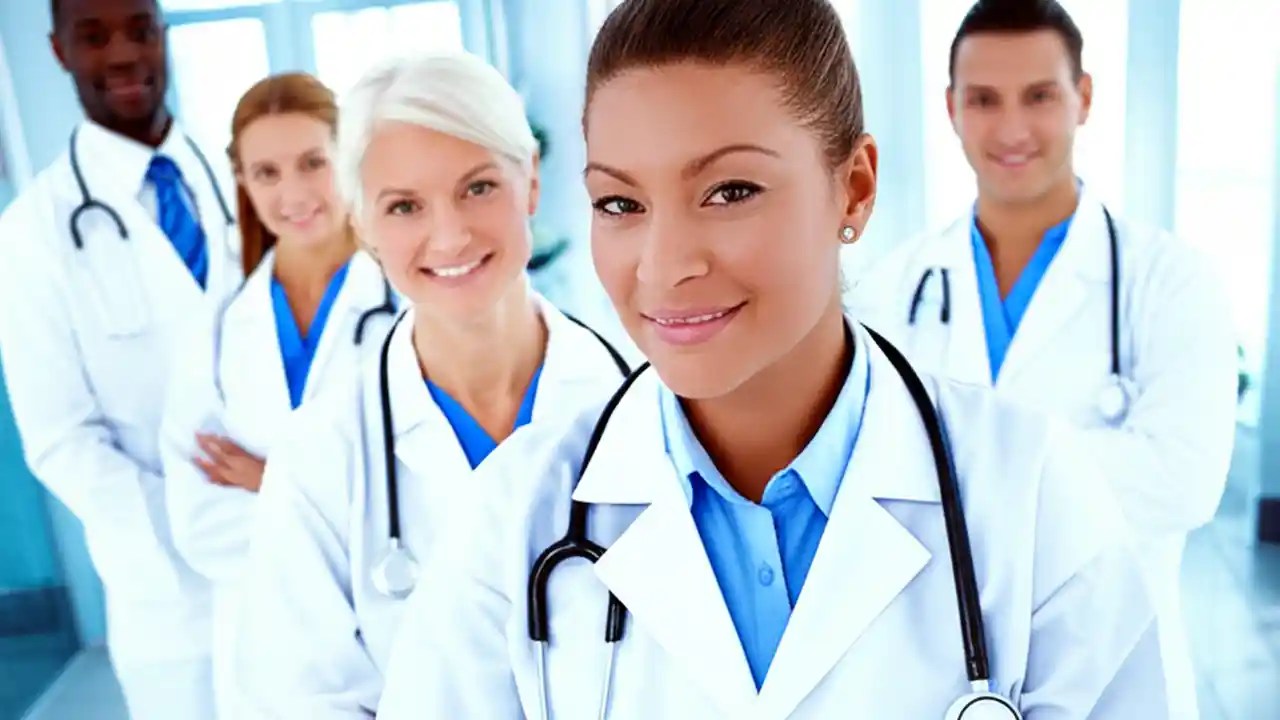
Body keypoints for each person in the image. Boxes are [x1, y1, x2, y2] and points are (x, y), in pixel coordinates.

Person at [375, 0, 1171, 717]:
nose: (663, 264)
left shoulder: (1028, 494)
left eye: (729, 191)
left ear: (854, 189)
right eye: (621, 203)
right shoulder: (513, 521)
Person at [845, 2, 1237, 715]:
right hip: (934, 681)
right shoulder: (891, 291)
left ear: (1083, 99)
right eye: (985, 100)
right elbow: (859, 476)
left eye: (1040, 96)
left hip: (1118, 673)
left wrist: (950, 478)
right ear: (951, 108)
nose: (1012, 129)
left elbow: (1183, 481)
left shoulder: (1171, 281)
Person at [231, 52, 631, 717]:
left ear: (529, 180)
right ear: (361, 223)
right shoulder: (322, 454)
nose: (449, 235)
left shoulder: (642, 407)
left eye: (478, 187)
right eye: (404, 206)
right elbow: (300, 701)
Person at [0, 0, 240, 717]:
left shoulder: (244, 183)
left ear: (163, 35)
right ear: (57, 50)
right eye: (94, 36)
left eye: (141, 30)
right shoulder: (31, 235)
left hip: (292, 560)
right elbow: (61, 441)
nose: (125, 57)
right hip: (170, 598)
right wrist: (197, 525)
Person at [158, 72, 397, 719]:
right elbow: (199, 523)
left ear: (348, 156)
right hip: (266, 656)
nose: (292, 193)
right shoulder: (215, 329)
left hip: (399, 639)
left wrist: (276, 481)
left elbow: (436, 499)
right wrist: (345, 506)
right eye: (266, 172)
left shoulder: (409, 305)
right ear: (242, 180)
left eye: (313, 163)